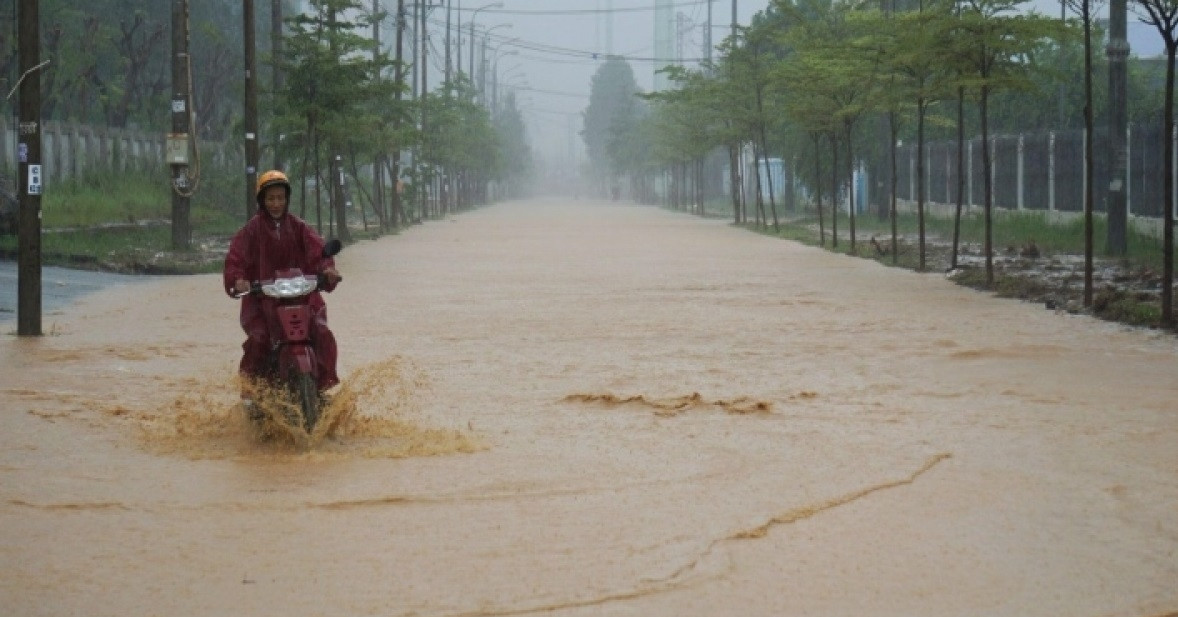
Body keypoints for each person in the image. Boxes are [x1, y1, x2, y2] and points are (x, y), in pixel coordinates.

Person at [223, 170, 342, 398]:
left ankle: (322, 386)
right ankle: (252, 394)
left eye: (280, 198)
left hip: (302, 297)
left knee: (321, 331)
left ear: (287, 199)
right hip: (261, 301)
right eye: (270, 198)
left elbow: (319, 252)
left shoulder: (299, 227)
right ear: (262, 201)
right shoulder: (250, 231)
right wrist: (238, 281)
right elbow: (235, 260)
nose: (276, 203)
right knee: (259, 339)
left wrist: (327, 270)